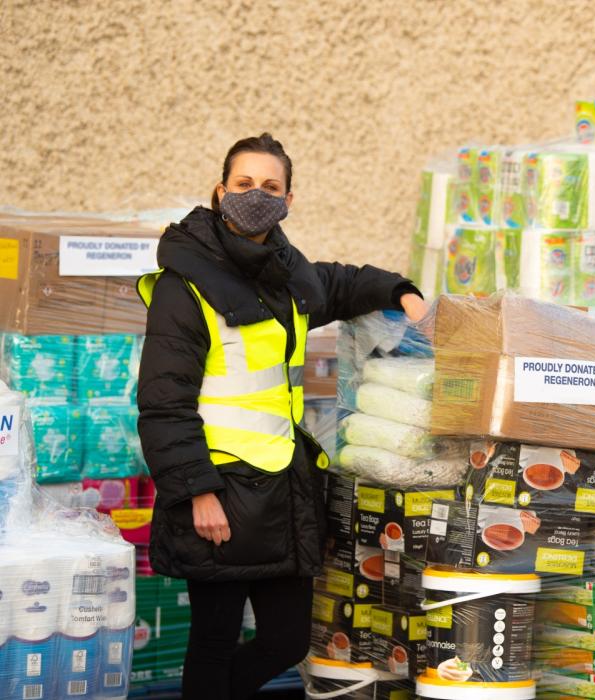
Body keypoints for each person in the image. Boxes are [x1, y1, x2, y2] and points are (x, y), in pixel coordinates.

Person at [136, 133, 427, 700]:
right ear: (220, 192)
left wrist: (404, 293)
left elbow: (341, 283)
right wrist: (198, 492)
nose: (256, 195)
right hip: (218, 490)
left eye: (271, 187)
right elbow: (163, 401)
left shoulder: (286, 276)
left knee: (287, 639)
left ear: (288, 200)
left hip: (279, 487)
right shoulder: (185, 286)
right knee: (214, 641)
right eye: (244, 184)